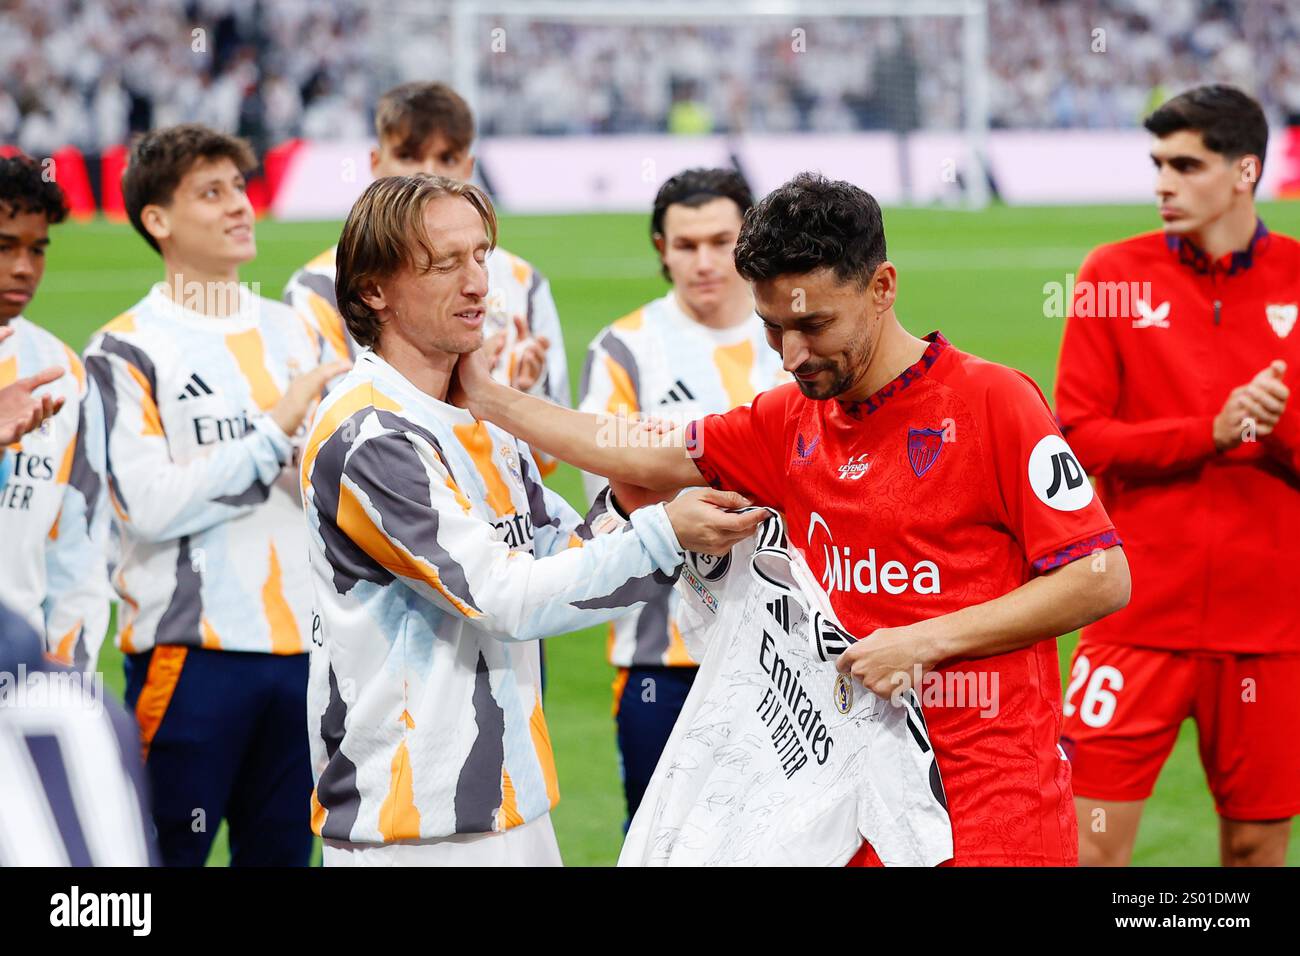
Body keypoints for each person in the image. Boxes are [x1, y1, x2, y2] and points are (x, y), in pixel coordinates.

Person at [457, 172, 1133, 866]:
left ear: (882, 287)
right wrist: (487, 396)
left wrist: (924, 641)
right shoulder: (787, 421)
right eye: (773, 328)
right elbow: (639, 451)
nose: (792, 355)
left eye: (813, 325)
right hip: (841, 811)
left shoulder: (994, 403)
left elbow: (1100, 577)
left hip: (991, 809)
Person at [303, 173, 760, 866]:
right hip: (410, 824)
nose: (479, 282)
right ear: (373, 290)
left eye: (482, 254)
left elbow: (564, 548)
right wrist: (665, 532)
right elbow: (504, 598)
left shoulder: (477, 412)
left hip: (511, 802)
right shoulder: (370, 435)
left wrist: (636, 504)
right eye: (445, 263)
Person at [83, 124, 349, 866]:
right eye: (211, 191)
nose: (240, 205)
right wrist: (274, 434)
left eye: (239, 186)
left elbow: (333, 494)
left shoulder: (297, 333)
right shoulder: (124, 348)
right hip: (193, 658)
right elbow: (149, 505)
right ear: (157, 220)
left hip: (305, 657)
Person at [1055, 85, 1299, 867]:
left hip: (1270, 632)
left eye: (1186, 164)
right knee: (1087, 847)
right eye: (1157, 162)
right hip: (1133, 619)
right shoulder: (1111, 273)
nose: (1163, 181)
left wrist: (1277, 428)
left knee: (1258, 847)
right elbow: (1078, 437)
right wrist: (1212, 432)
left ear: (1245, 171)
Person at [578, 167, 788, 821]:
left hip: (786, 652)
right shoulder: (623, 350)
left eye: (721, 241)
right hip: (662, 656)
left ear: (749, 240)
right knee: (661, 845)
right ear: (660, 249)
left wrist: (673, 471)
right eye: (686, 244)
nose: (704, 261)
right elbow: (616, 497)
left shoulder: (791, 338)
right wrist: (757, 476)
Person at [284, 81, 563, 418]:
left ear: (468, 168)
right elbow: (316, 437)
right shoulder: (317, 288)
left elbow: (545, 459)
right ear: (375, 162)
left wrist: (521, 396)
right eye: (408, 155)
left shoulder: (524, 282)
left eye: (446, 158)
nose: (427, 172)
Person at [0, 154, 109, 670]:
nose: (23, 267)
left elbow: (79, 551)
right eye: (4, 247)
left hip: (18, 676)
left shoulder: (61, 370)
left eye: (36, 249)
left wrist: (70, 675)